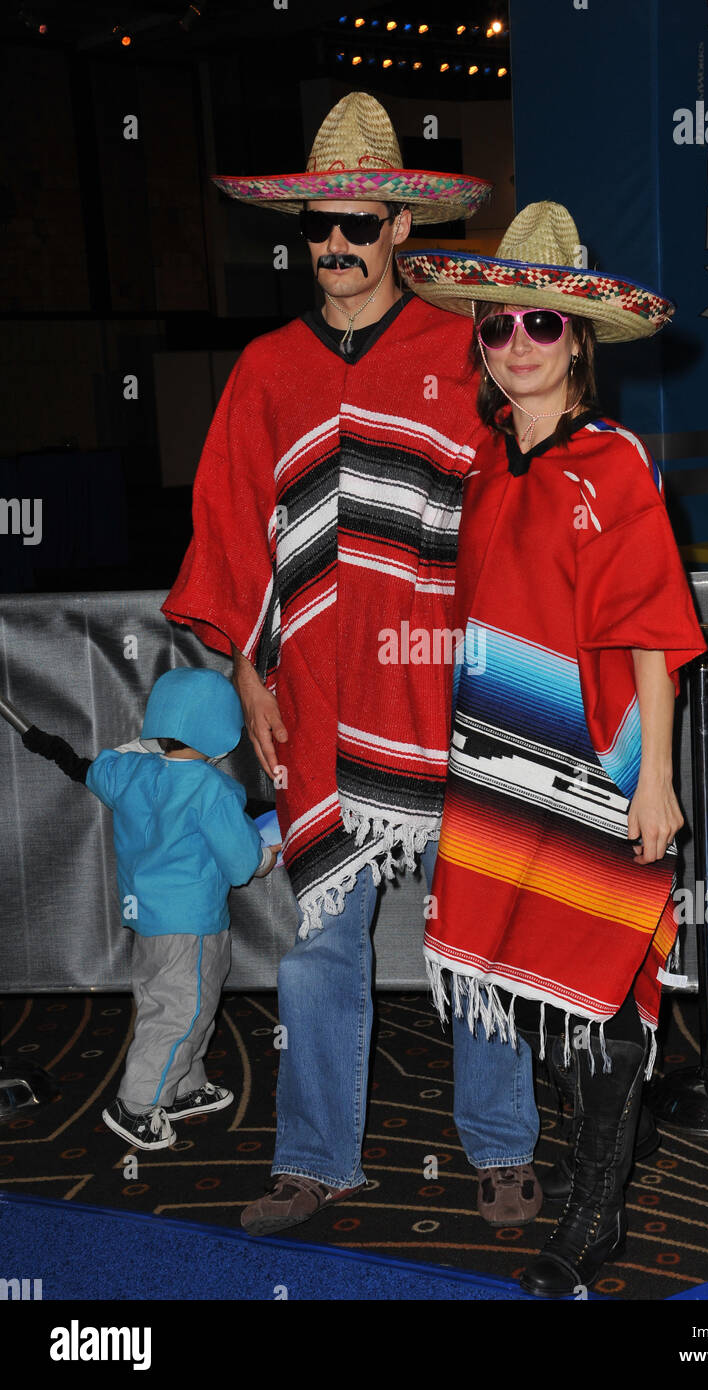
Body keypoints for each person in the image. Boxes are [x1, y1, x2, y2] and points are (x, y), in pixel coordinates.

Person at [162, 92, 541, 1232]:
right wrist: (242, 672)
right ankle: (315, 1158)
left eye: (359, 223)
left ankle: (504, 1147)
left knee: (476, 928)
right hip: (320, 702)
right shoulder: (265, 371)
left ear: (400, 230)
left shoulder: (461, 351)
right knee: (321, 939)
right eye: (321, 225)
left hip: (447, 691)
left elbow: (508, 514)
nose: (336, 244)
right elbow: (231, 532)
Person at [398, 202, 706, 1296]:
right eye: (498, 327)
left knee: (612, 989)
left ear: (578, 341)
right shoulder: (482, 469)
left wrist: (657, 778)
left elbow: (656, 635)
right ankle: (612, 1152)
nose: (518, 344)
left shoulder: (613, 465)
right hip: (505, 765)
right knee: (558, 994)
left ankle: (593, 1214)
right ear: (479, 342)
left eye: (541, 323)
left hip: (609, 763)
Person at [88, 668, 278, 1150]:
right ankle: (135, 1105)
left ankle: (184, 1087)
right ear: (222, 733)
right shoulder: (213, 789)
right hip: (192, 924)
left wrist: (151, 744)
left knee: (169, 1005)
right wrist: (265, 854)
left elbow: (100, 767)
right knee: (184, 1012)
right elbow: (240, 866)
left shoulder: (130, 773)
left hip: (147, 921)